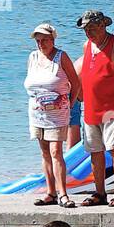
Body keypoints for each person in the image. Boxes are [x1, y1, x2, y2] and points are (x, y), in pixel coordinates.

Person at [75, 10, 114, 208]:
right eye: (86, 29)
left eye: (92, 28)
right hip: (91, 108)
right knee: (95, 150)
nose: (89, 32)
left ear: (103, 26)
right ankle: (100, 192)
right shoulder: (87, 46)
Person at [24, 23, 81, 209]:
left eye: (45, 40)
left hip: (58, 113)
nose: (41, 44)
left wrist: (69, 104)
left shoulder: (61, 56)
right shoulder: (32, 57)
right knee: (45, 152)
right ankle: (50, 193)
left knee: (57, 152)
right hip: (36, 112)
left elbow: (76, 83)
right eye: (38, 41)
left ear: (53, 39)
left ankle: (63, 194)